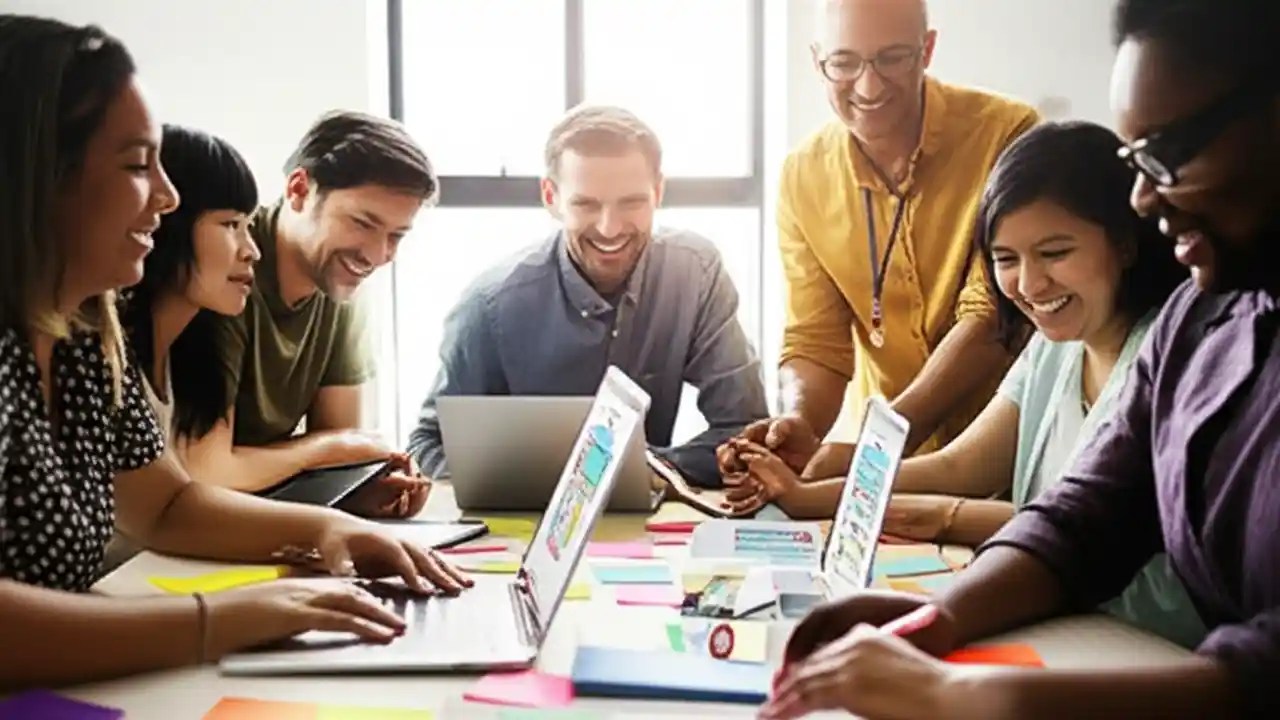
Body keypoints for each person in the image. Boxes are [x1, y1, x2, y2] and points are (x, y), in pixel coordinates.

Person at [762, 0, 1280, 717]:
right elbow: (1081, 516)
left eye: (1169, 153)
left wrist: (972, 694)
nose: (1140, 196)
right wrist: (931, 623)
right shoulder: (1198, 320)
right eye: (1134, 161)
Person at [0, 15, 470, 689]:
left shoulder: (85, 334)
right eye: (138, 165)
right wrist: (217, 619)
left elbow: (167, 504)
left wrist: (327, 533)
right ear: (36, 173)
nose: (165, 197)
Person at [726, 121, 1205, 648]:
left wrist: (923, 513)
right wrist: (815, 485)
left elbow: (1065, 532)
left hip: (1148, 640)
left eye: (1054, 253)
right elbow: (960, 466)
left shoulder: (1170, 355)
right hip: (1063, 622)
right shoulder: (1052, 346)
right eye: (1006, 259)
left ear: (1124, 243)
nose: (1029, 284)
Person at [717, 0, 1040, 484]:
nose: (868, 86)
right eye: (844, 62)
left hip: (1004, 452)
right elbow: (816, 339)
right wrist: (799, 425)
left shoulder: (1006, 133)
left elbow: (996, 312)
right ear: (817, 60)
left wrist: (881, 441)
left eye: (892, 58)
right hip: (880, 468)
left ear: (926, 50)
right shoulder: (802, 174)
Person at [406, 105, 768, 487]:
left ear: (658, 192)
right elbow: (427, 445)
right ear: (551, 197)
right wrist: (540, 484)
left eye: (631, 202)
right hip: (527, 524)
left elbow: (745, 430)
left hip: (651, 523)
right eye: (586, 204)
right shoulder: (490, 304)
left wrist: (643, 472)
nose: (609, 229)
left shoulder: (697, 272)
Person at [121, 125, 417, 518]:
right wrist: (328, 457)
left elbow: (339, 468)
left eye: (396, 236)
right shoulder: (217, 294)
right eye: (362, 223)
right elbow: (199, 480)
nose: (378, 255)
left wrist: (354, 498)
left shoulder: (337, 288)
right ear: (298, 190)